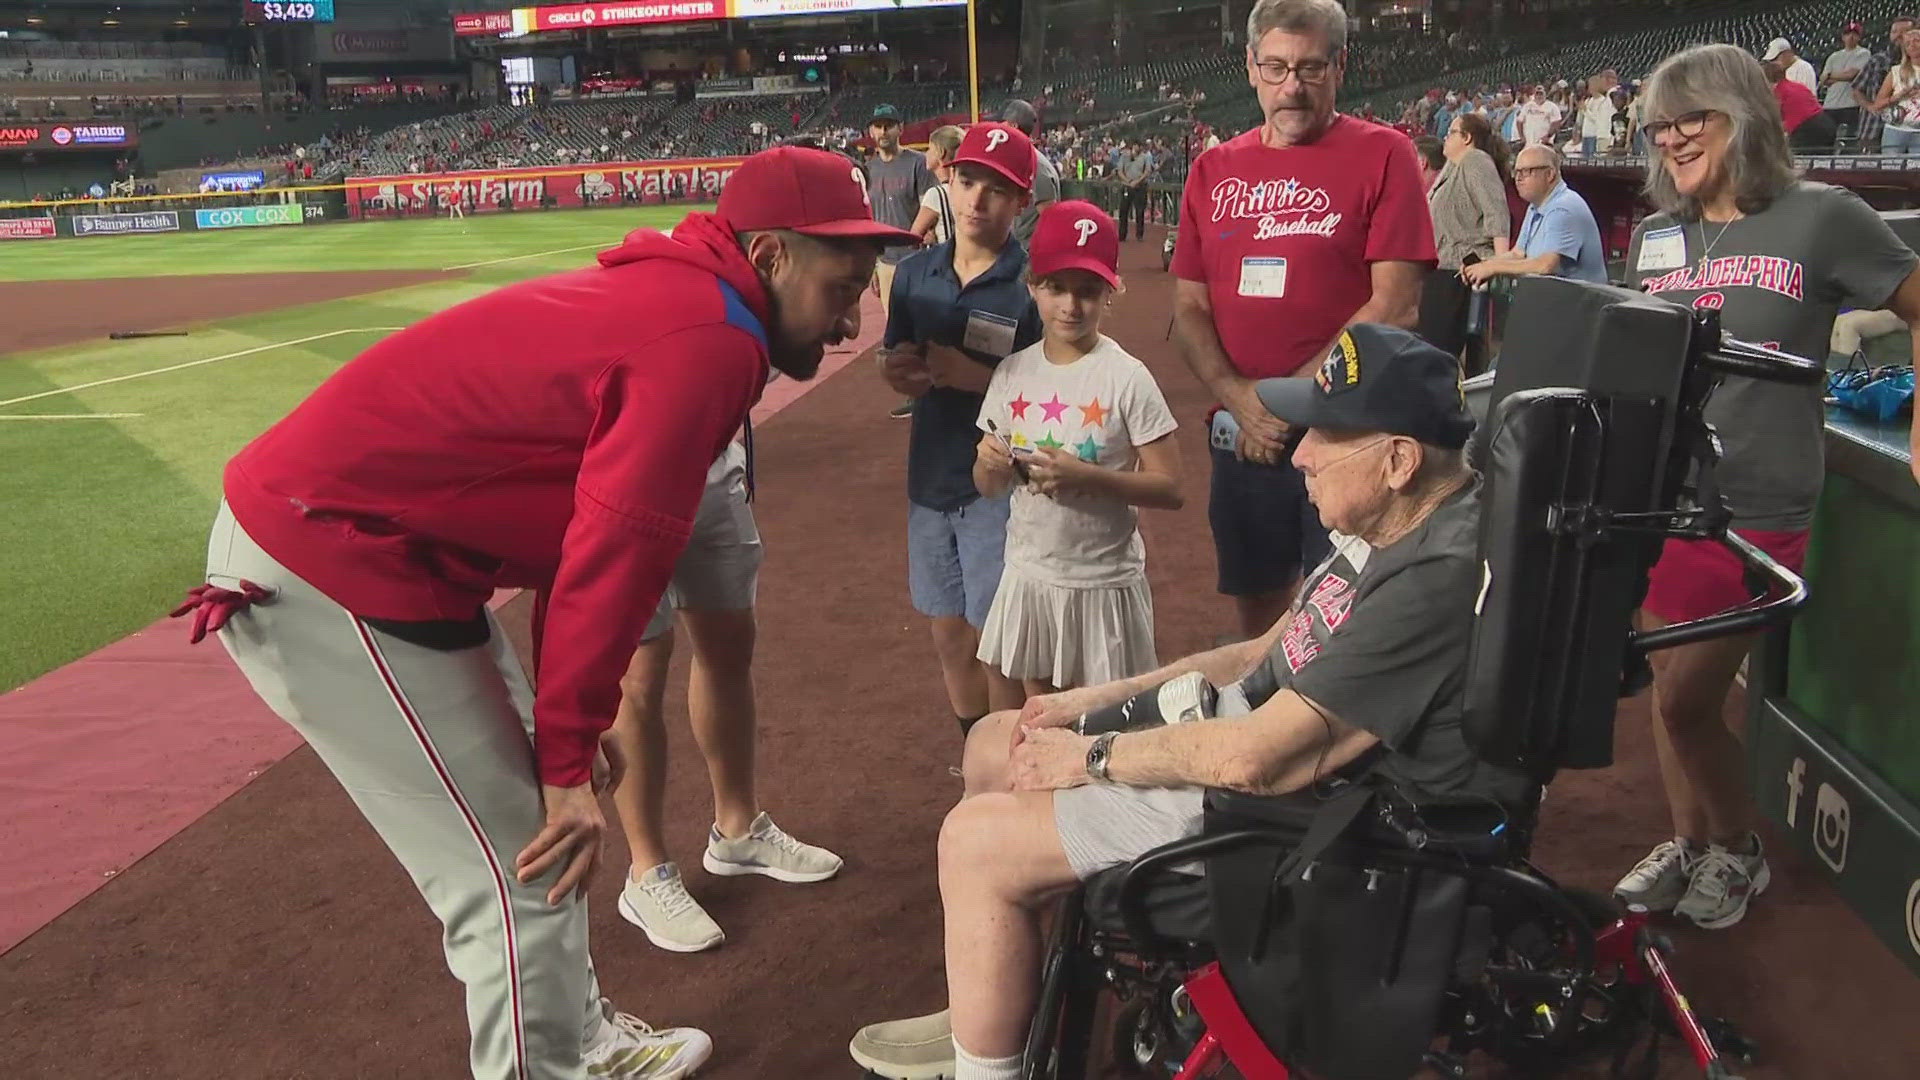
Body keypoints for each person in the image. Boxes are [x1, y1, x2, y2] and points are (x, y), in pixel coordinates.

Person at [172, 146, 915, 1079]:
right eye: (841, 286)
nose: (853, 319)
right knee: (520, 871)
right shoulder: (709, 339)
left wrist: (567, 730)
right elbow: (615, 556)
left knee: (541, 829)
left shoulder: (700, 304)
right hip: (330, 561)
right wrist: (563, 758)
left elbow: (583, 540)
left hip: (387, 557)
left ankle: (581, 1040)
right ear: (769, 257)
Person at [847, 323, 1524, 1080]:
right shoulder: (1394, 520)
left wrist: (1093, 758)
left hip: (1321, 820)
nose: (1299, 454)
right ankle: (997, 1005)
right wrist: (1095, 700)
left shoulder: (1434, 576)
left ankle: (989, 1063)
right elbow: (1261, 651)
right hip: (1261, 746)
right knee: (1000, 739)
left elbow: (1258, 760)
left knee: (974, 843)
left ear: (1398, 459)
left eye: (1326, 436)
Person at [1618, 43, 1920, 929]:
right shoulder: (1655, 236)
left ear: (1742, 115)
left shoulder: (1820, 215)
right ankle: (1694, 842)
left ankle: (1740, 853)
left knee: (1684, 700)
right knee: (1666, 682)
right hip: (1659, 500)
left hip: (1756, 507)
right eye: (1659, 124)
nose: (1671, 138)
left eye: (1691, 119)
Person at [1171, 0, 1436, 640]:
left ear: (1339, 67)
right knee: (1259, 613)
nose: (1292, 85)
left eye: (1311, 68)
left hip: (1350, 432)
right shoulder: (1213, 169)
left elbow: (1395, 304)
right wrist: (1241, 400)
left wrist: (1290, 401)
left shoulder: (1384, 153)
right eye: (1277, 66)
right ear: (1251, 66)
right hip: (1246, 437)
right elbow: (1190, 305)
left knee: (1350, 621)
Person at [607, 436, 843, 954]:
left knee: (729, 644)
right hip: (614, 481)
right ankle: (647, 872)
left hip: (709, 471)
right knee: (638, 672)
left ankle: (738, 830)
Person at [972, 201, 1183, 699]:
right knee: (1039, 713)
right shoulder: (1012, 373)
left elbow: (1171, 487)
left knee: (1106, 720)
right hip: (1031, 572)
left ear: (1111, 292)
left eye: (1088, 292)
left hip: (1102, 579)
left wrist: (1089, 478)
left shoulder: (1127, 377)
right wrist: (987, 463)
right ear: (1032, 287)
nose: (1071, 305)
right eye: (1055, 288)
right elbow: (987, 485)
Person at [881, 122, 1044, 735]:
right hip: (929, 477)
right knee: (947, 630)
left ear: (1022, 201)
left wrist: (972, 376)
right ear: (947, 179)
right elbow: (895, 356)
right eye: (968, 181)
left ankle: (1011, 759)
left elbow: (1050, 389)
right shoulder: (917, 274)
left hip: (997, 487)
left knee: (996, 636)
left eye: (997, 189)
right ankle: (977, 750)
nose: (977, 200)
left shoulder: (1031, 287)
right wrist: (897, 373)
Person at [864, 103, 939, 419]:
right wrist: (872, 266)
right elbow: (867, 219)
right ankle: (917, 393)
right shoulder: (869, 168)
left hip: (916, 258)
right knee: (900, 336)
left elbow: (932, 208)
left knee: (925, 329)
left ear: (900, 128)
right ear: (870, 132)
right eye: (878, 126)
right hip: (886, 262)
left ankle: (935, 390)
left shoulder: (918, 164)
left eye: (889, 125)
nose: (883, 132)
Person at [1420, 110, 1511, 357]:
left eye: (1451, 133)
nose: (1445, 138)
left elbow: (1496, 211)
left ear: (1467, 138)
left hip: (1462, 271)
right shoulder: (1451, 168)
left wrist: (1501, 263)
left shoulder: (1476, 160)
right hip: (1443, 268)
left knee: (1438, 352)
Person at [1462, 144, 1610, 286]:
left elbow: (1545, 266)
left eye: (1526, 172)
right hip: (1552, 300)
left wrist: (1492, 268)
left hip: (1579, 305)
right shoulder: (1536, 206)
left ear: (1549, 174)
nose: (1518, 179)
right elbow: (1518, 254)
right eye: (1516, 172)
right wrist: (1483, 264)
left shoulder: (1563, 208)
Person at [999, 99, 1060, 245]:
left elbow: (1050, 218)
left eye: (1004, 123)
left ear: (1013, 126)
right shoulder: (1023, 158)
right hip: (1019, 249)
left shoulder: (1035, 164)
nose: (1000, 126)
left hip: (1031, 254)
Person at [1850, 15, 1913, 152]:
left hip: (1911, 131)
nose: (1898, 36)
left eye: (1904, 32)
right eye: (1894, 32)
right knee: (1870, 171)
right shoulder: (1877, 60)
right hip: (1873, 128)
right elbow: (1856, 90)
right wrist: (1870, 106)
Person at [909, 124, 963, 245]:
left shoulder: (936, 194)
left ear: (941, 152)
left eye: (930, 149)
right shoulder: (966, 188)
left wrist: (930, 240)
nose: (926, 154)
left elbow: (913, 237)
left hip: (948, 258)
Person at [1766, 58, 1838, 149]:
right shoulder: (1798, 86)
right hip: (1826, 124)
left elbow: (1775, 121)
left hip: (1808, 130)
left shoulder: (1778, 92)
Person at [1872, 27, 1920, 154]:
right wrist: (1899, 96)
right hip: (1895, 130)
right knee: (1890, 168)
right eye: (1908, 43)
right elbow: (1877, 104)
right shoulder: (1896, 71)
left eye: (1917, 41)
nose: (1912, 45)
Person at [1822, 22, 1873, 136]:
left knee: (1849, 141)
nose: (1851, 37)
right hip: (1830, 104)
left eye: (1854, 34)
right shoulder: (1834, 56)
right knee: (1828, 138)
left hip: (1851, 105)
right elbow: (1823, 80)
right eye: (1848, 34)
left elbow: (1852, 75)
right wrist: (1840, 76)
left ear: (1859, 37)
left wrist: (1831, 75)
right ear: (1843, 37)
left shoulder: (1864, 53)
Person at [1112, 137, 1153, 242]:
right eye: (1136, 145)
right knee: (1123, 211)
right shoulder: (1124, 156)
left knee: (1140, 212)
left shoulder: (1145, 157)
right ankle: (1122, 234)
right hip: (1127, 185)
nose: (1137, 148)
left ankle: (1139, 234)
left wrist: (1137, 181)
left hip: (1139, 187)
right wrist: (1128, 181)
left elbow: (1147, 172)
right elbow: (1120, 171)